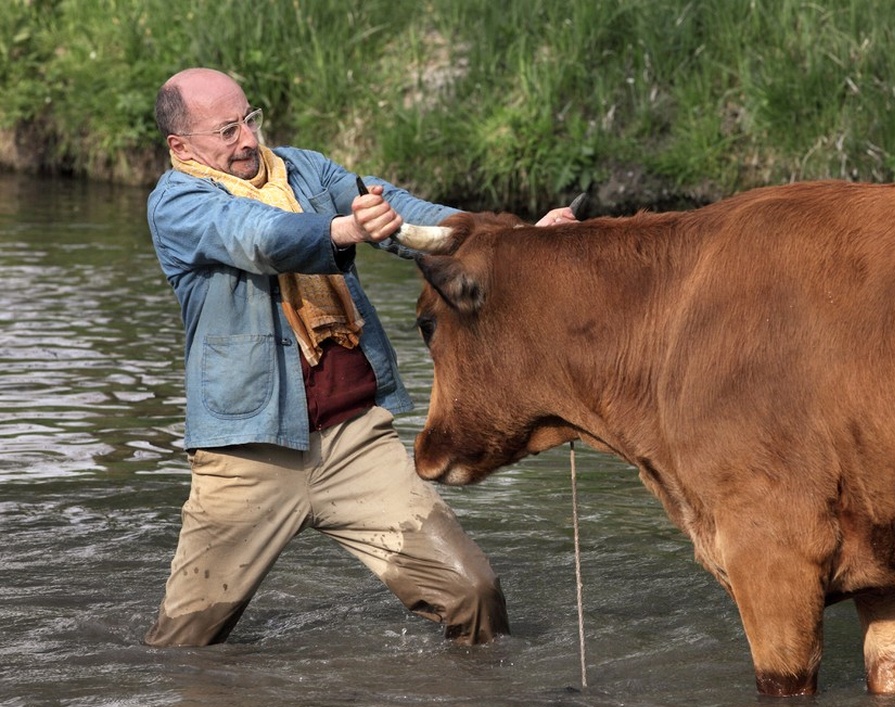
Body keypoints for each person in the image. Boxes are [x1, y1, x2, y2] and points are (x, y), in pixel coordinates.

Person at [144, 67, 576, 647]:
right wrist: (346, 228)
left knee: (473, 596)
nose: (247, 139)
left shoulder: (306, 169)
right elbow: (258, 236)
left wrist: (520, 238)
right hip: (247, 456)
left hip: (356, 442)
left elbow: (400, 209)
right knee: (183, 649)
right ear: (181, 146)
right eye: (226, 131)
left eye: (250, 119)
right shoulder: (177, 204)